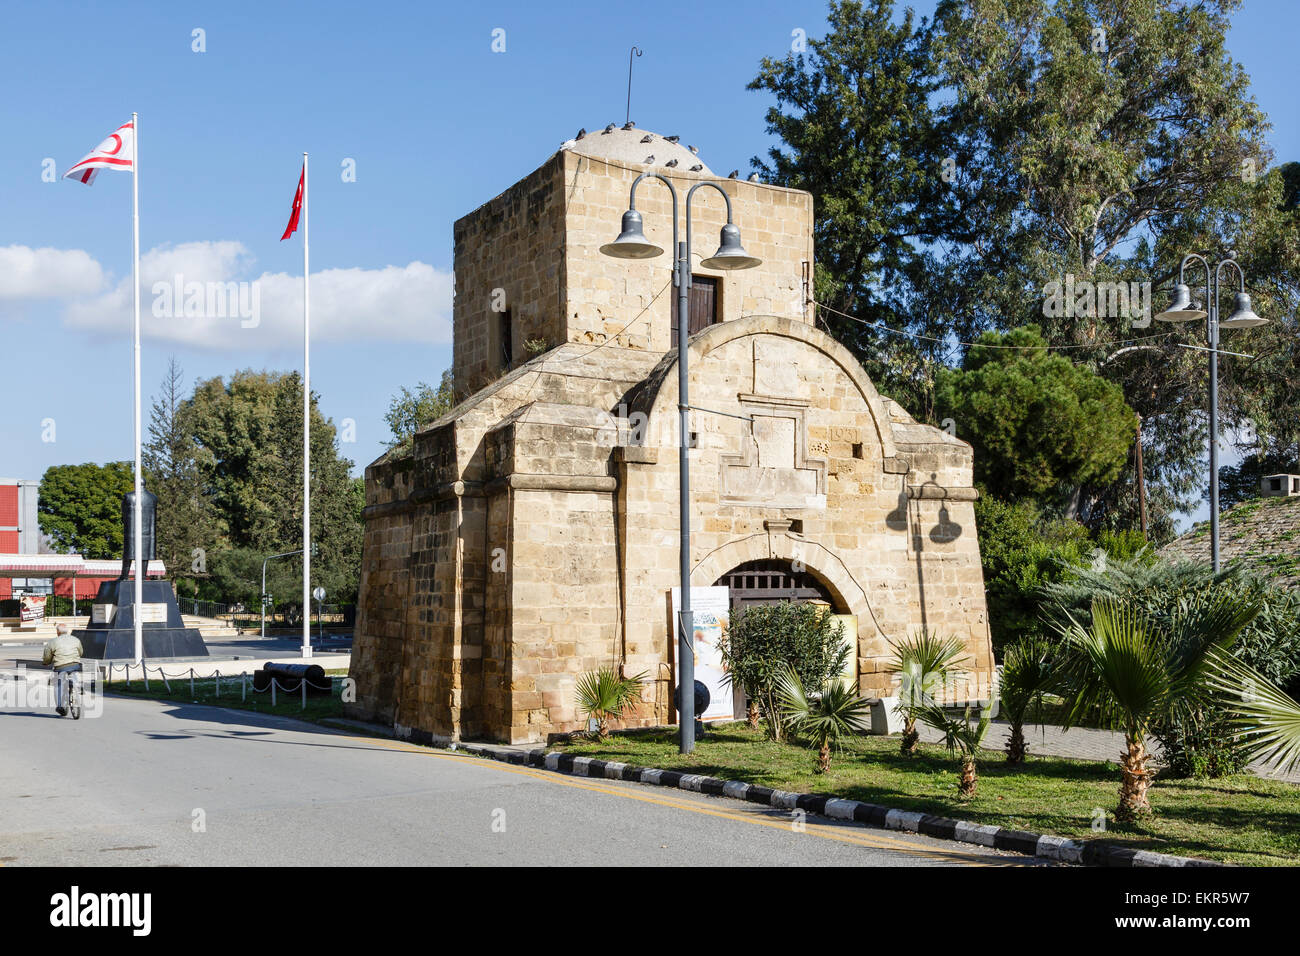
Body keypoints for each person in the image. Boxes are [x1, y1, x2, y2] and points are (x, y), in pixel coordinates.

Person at [41, 623, 84, 717]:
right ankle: (77, 686)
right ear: (67, 631)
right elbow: (81, 652)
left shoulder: (52, 642)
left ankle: (60, 705)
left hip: (60, 666)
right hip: (75, 664)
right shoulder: (76, 639)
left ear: (58, 632)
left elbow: (47, 656)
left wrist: (46, 662)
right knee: (73, 672)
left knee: (58, 684)